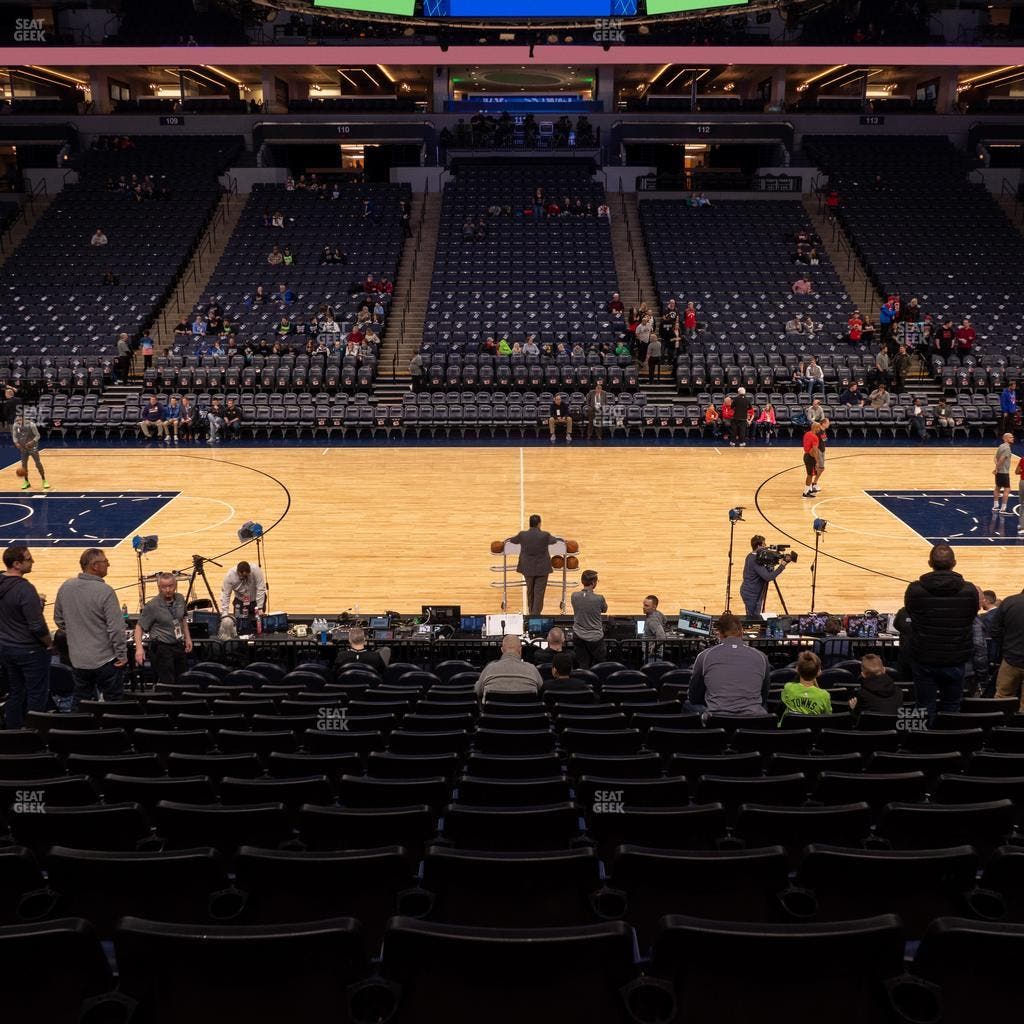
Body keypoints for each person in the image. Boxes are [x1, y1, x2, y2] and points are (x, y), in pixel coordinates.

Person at [904, 543, 979, 723]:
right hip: (955, 658)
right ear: (954, 563)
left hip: (924, 658)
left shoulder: (915, 589)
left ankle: (921, 744)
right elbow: (972, 616)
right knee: (952, 705)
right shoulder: (970, 590)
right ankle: (949, 743)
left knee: (922, 705)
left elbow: (910, 613)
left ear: (930, 563)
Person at [53, 548, 126, 706]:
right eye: (106, 562)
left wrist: (78, 633)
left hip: (78, 660)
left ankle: (79, 730)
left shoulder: (66, 586)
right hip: (106, 660)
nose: (109, 564)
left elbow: (58, 620)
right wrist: (121, 654)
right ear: (95, 565)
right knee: (114, 705)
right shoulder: (105, 591)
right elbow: (116, 629)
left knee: (81, 703)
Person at [0, 546, 53, 728]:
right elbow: (37, 626)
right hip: (29, 651)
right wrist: (49, 643)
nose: (33, 562)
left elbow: (12, 611)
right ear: (17, 564)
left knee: (16, 692)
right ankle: (34, 735)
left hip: (6, 648)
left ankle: (13, 733)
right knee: (37, 695)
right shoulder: (25, 589)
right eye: (29, 559)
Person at [685, 611, 770, 716]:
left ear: (719, 634)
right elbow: (764, 694)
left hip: (717, 719)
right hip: (753, 720)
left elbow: (694, 696)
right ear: (742, 632)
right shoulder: (761, 657)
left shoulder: (704, 656)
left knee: (688, 704)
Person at [135, 572, 192, 685]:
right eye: (164, 587)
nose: (167, 590)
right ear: (159, 587)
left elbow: (183, 619)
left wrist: (188, 638)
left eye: (170, 586)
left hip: (178, 645)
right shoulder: (152, 605)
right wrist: (139, 649)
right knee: (168, 683)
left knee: (182, 679)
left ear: (175, 586)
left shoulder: (180, 598)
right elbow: (139, 627)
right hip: (162, 648)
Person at [505, 515, 562, 616]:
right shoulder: (545, 535)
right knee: (539, 593)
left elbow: (513, 540)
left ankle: (531, 612)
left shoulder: (522, 535)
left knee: (530, 591)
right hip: (542, 568)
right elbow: (554, 541)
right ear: (539, 524)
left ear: (530, 523)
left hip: (527, 568)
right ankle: (535, 615)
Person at [474, 634, 543, 699]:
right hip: (526, 711)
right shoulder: (532, 669)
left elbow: (477, 691)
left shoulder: (489, 668)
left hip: (494, 711)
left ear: (502, 650)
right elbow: (541, 689)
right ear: (520, 650)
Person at [739, 535, 792, 618]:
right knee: (753, 618)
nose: (765, 546)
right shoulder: (755, 559)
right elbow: (768, 577)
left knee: (754, 616)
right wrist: (782, 565)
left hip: (752, 591)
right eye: (764, 544)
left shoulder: (751, 555)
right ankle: (753, 630)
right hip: (752, 594)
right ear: (758, 546)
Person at [571, 569, 607, 670]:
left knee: (583, 665)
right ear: (593, 583)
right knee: (600, 666)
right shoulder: (599, 598)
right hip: (595, 638)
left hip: (578, 635)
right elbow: (604, 609)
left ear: (582, 581)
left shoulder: (574, 596)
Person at [848, 654, 903, 718]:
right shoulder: (899, 692)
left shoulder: (860, 694)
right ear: (884, 670)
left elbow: (857, 720)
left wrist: (853, 709)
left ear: (862, 674)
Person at [780, 651, 832, 719]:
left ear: (797, 669)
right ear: (819, 672)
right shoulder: (824, 695)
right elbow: (828, 715)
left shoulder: (788, 687)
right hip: (813, 729)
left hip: (789, 728)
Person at [12, 412, 49, 491]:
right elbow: (14, 435)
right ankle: (26, 482)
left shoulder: (31, 425)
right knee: (24, 465)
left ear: (24, 419)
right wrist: (16, 443)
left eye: (20, 420)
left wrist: (32, 442)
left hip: (33, 447)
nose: (18, 422)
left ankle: (44, 480)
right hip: (23, 447)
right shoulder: (15, 425)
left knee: (38, 463)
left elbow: (38, 435)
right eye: (17, 420)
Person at [993, 432, 1014, 514]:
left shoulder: (1001, 446)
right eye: (1011, 437)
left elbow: (995, 458)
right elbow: (1002, 459)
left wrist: (997, 467)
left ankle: (995, 506)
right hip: (1004, 472)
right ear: (1006, 438)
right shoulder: (1007, 448)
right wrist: (997, 468)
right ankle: (1003, 508)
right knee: (1007, 489)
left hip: (999, 472)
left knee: (997, 488)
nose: (1013, 438)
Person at [642, 594, 667, 661]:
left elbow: (662, 637)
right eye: (644, 604)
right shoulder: (658, 613)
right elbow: (665, 620)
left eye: (646, 605)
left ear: (654, 607)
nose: (643, 607)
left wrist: (653, 648)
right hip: (654, 655)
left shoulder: (652, 620)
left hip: (652, 656)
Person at [802, 421, 822, 498]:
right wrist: (817, 461)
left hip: (806, 455)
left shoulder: (807, 434)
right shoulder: (815, 437)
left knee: (810, 474)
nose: (819, 429)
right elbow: (814, 450)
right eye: (818, 428)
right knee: (810, 475)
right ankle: (805, 492)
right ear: (815, 428)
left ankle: (809, 489)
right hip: (810, 457)